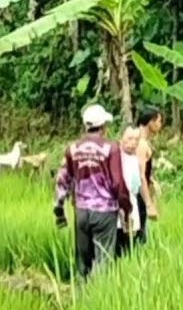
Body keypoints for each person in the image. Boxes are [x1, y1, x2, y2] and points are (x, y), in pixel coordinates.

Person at [54, 104, 133, 280]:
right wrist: (127, 207)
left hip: (81, 211)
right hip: (104, 211)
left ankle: (80, 299)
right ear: (104, 126)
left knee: (83, 262)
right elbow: (118, 183)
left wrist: (59, 208)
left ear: (85, 126)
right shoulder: (111, 148)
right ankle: (97, 300)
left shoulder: (73, 149)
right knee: (103, 261)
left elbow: (62, 180)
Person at [134, 107, 164, 245]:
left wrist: (151, 180)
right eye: (159, 121)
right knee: (140, 236)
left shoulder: (137, 140)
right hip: (137, 194)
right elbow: (140, 175)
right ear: (151, 122)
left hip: (137, 192)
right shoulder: (141, 144)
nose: (160, 124)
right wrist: (149, 204)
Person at [115, 127, 143, 258]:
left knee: (129, 248)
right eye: (129, 138)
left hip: (131, 208)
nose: (132, 143)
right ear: (121, 138)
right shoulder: (113, 158)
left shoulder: (134, 160)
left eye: (136, 139)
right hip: (115, 210)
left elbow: (136, 187)